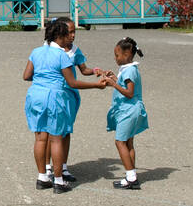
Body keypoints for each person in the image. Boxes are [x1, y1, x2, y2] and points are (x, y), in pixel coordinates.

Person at [23, 18, 108, 193]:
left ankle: (42, 177)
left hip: (36, 96)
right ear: (59, 36)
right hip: (55, 97)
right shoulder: (61, 55)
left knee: (40, 137)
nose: (69, 38)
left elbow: (26, 75)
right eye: (66, 35)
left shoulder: (36, 52)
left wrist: (42, 79)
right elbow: (72, 82)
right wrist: (96, 85)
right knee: (56, 138)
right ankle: (59, 180)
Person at [51, 18, 110, 182]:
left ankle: (63, 166)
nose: (73, 35)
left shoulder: (74, 50)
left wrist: (95, 71)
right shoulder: (51, 49)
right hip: (55, 95)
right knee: (53, 132)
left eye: (74, 31)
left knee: (66, 131)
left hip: (70, 95)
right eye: (69, 32)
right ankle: (50, 168)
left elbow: (83, 69)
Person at [102, 37, 148, 189]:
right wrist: (114, 78)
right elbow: (125, 85)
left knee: (120, 142)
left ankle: (131, 177)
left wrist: (113, 84)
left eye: (117, 55)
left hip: (129, 110)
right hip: (130, 110)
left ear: (127, 54)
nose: (115, 58)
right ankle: (131, 174)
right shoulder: (129, 69)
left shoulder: (129, 70)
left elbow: (129, 93)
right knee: (128, 143)